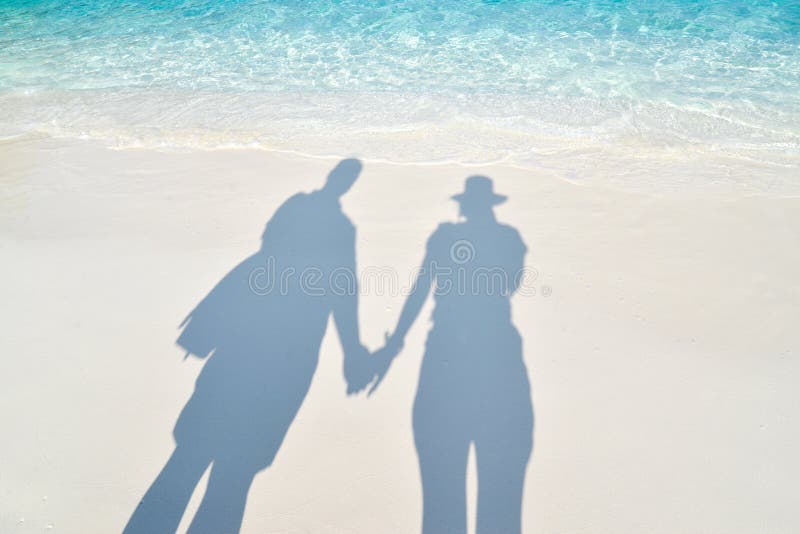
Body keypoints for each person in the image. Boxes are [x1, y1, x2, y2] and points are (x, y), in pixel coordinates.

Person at [124, 159, 372, 534]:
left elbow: (268, 245)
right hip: (295, 345)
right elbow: (343, 291)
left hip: (249, 330)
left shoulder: (294, 209)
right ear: (348, 185)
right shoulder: (341, 229)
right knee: (235, 474)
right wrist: (352, 351)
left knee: (189, 455)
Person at [370, 176, 534, 534]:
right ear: (492, 205)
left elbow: (420, 290)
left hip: (446, 349)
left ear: (463, 205)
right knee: (500, 494)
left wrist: (394, 342)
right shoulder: (510, 239)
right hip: (497, 350)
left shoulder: (444, 237)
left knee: (441, 486)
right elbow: (511, 283)